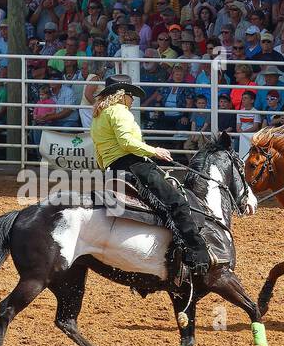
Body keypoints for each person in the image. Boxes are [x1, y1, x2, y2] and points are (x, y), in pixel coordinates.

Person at [90, 73, 212, 279]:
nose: (133, 99)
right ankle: (198, 255)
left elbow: (98, 152)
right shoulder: (119, 111)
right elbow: (127, 142)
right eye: (131, 95)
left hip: (112, 169)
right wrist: (154, 151)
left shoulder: (99, 115)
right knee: (177, 202)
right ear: (122, 95)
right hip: (134, 165)